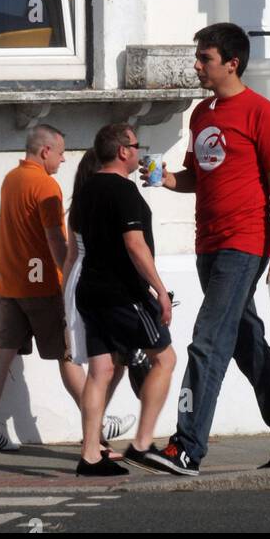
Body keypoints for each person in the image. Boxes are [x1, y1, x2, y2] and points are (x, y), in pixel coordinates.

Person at [143, 23, 270, 477]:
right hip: (209, 244)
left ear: (231, 62)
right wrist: (164, 179)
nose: (197, 65)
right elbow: (197, 178)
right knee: (246, 345)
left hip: (245, 242)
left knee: (207, 341)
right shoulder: (202, 115)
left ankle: (186, 446)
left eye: (205, 58)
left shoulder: (262, 112)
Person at [73, 123, 176, 477]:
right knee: (165, 359)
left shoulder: (85, 190)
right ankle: (143, 443)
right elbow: (135, 245)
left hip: (89, 291)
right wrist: (160, 291)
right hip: (122, 293)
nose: (138, 151)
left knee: (100, 371)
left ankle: (89, 454)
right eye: (135, 145)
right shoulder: (124, 190)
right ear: (122, 151)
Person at [0, 123, 80, 449]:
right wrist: (70, 276)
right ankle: (98, 424)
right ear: (45, 151)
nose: (63, 161)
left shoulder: (11, 180)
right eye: (61, 153)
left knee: (2, 354)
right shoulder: (45, 186)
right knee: (69, 355)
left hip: (11, 284)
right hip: (44, 286)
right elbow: (55, 240)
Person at [62, 149, 136, 446]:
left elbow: (70, 257)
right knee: (106, 364)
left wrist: (64, 297)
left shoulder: (78, 207)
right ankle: (96, 436)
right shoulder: (110, 203)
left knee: (99, 362)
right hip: (104, 281)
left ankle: (94, 433)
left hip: (80, 280)